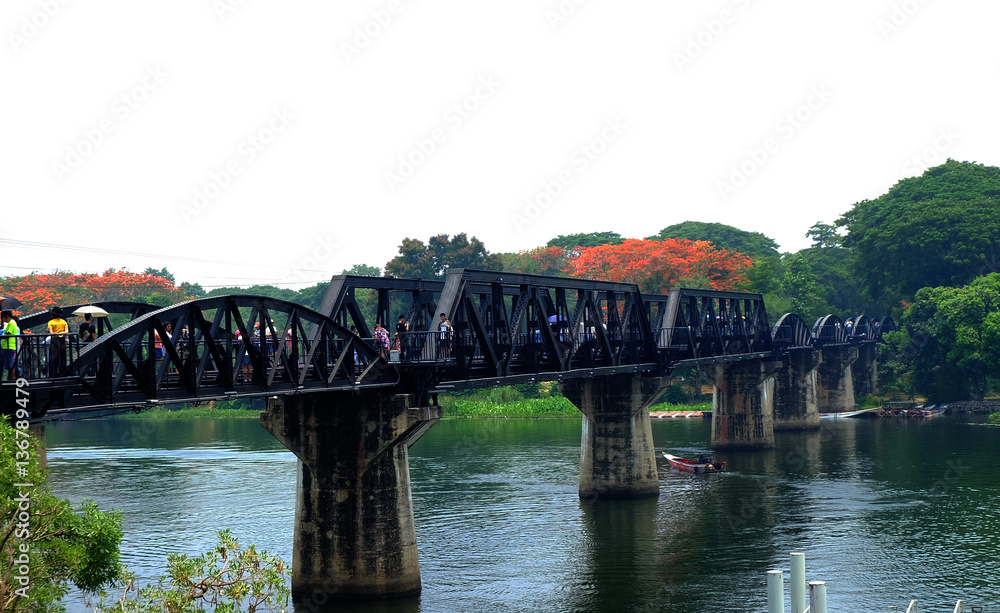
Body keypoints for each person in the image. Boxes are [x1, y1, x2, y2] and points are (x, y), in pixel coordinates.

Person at [47, 307, 68, 376]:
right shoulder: (63, 322)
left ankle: (53, 374)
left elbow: (51, 333)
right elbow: (66, 331)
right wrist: (61, 334)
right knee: (62, 358)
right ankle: (63, 374)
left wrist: (57, 334)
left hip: (54, 341)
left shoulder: (50, 322)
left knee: (53, 358)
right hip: (62, 341)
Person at [0, 311, 19, 380]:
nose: (3, 319)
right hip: (7, 347)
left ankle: (13, 379)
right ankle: (12, 378)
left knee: (10, 365)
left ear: (7, 316)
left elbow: (8, 334)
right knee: (9, 365)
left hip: (9, 347)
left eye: (3, 317)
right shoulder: (10, 323)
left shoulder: (11, 323)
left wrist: (1, 337)